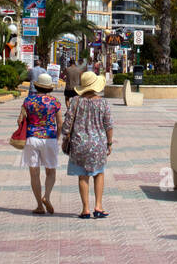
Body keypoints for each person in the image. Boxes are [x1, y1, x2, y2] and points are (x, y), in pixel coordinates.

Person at [61, 70, 114, 219]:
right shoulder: (103, 103)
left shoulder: (75, 102)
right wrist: (109, 143)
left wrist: (65, 136)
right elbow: (108, 125)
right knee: (99, 173)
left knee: (82, 176)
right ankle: (98, 206)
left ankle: (85, 209)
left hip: (79, 144)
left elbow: (67, 124)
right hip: (98, 144)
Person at [17, 73, 61, 214]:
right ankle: (46, 196)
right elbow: (60, 123)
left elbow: (19, 120)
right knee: (51, 171)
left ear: (36, 86)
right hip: (49, 138)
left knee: (34, 173)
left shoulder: (28, 101)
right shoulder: (54, 102)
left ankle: (39, 206)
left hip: (32, 138)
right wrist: (57, 137)